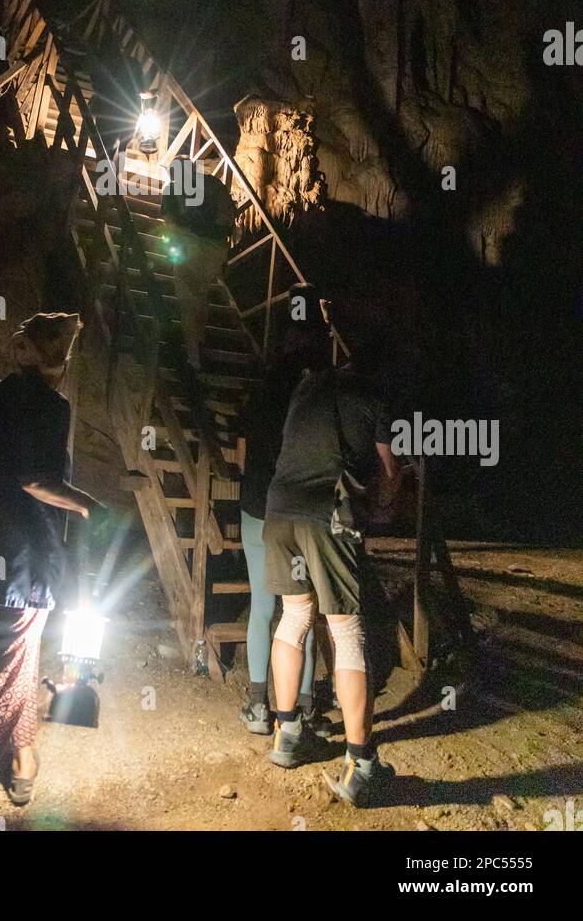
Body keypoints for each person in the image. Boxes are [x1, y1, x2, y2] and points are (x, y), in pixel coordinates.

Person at [0, 312, 101, 830]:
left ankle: (25, 757)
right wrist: (87, 505)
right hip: (27, 562)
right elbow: (35, 480)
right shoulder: (54, 407)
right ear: (62, 360)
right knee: (0, 685)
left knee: (22, 661)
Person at [262, 290, 402, 805]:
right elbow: (389, 475)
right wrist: (384, 508)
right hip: (326, 512)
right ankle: (362, 762)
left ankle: (287, 735)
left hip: (280, 508)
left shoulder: (308, 386)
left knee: (293, 618)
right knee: (346, 630)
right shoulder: (378, 398)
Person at [234, 324, 330, 737]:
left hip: (258, 506)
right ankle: (304, 707)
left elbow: (240, 453)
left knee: (262, 606)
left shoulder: (260, 391)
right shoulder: (316, 396)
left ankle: (259, 706)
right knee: (301, 611)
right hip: (297, 511)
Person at [160, 160, 236, 369]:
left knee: (187, 300)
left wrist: (173, 249)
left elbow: (170, 223)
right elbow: (227, 219)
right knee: (201, 293)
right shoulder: (214, 184)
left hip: (189, 246)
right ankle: (200, 339)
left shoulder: (173, 189)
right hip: (215, 251)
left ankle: (193, 356)